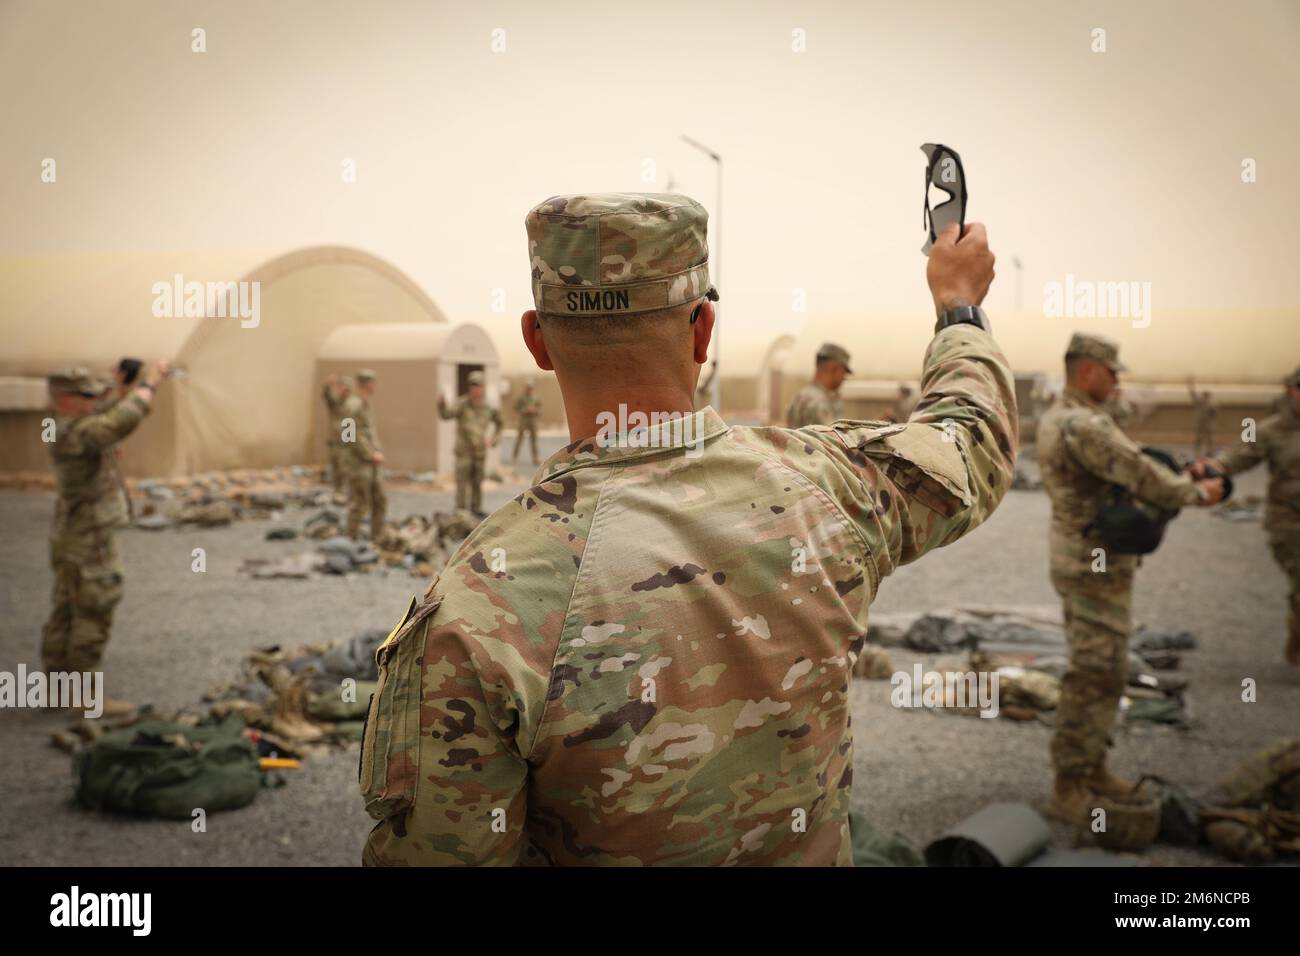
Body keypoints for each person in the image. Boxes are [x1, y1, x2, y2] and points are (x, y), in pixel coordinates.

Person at [359, 192, 1016, 866]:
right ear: (702, 331)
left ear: (538, 342)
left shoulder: (476, 606)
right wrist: (957, 304)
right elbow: (969, 443)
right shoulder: (830, 488)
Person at [1036, 333, 1225, 824]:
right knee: (1093, 673)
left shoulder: (1084, 419)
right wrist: (1197, 493)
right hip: (1090, 567)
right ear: (1088, 371)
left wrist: (1181, 472)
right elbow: (1138, 472)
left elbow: (1133, 460)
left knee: (1110, 669)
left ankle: (1093, 767)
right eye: (1112, 371)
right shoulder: (1082, 425)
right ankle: (1069, 785)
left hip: (1097, 564)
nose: (1118, 379)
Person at [42, 361, 171, 717]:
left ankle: (56, 689)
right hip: (89, 534)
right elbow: (119, 422)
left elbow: (107, 416)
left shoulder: (59, 425)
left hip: (74, 530)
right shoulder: (74, 431)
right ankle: (81, 696)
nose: (94, 401)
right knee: (94, 605)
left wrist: (118, 386)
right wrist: (150, 385)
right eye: (86, 396)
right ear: (65, 399)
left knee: (67, 608)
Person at [1197, 366, 1300, 664]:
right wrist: (1211, 470)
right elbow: (1237, 456)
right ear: (1292, 392)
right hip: (1289, 523)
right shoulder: (1269, 430)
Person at [437, 370, 503, 518]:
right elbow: (446, 415)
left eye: (478, 385)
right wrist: (441, 403)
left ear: (483, 387)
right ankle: (461, 510)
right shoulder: (462, 404)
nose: (476, 388)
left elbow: (500, 423)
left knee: (477, 482)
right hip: (464, 451)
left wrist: (493, 439)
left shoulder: (488, 407)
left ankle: (476, 508)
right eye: (473, 385)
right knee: (462, 482)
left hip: (479, 452)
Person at [341, 369, 386, 542]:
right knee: (360, 503)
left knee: (379, 500)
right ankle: (350, 539)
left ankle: (377, 537)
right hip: (359, 463)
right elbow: (348, 435)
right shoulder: (352, 405)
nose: (375, 386)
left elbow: (366, 433)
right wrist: (370, 454)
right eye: (373, 383)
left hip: (371, 462)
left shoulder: (365, 404)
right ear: (367, 384)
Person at [786, 342, 851, 427]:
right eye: (844, 372)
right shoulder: (818, 403)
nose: (844, 378)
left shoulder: (801, 396)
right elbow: (832, 438)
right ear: (834, 368)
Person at [322, 374, 353, 504]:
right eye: (341, 388)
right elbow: (327, 396)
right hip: (334, 442)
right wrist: (328, 386)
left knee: (344, 469)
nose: (343, 390)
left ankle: (344, 493)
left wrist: (349, 443)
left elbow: (350, 424)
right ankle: (337, 492)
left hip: (345, 443)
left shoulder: (352, 405)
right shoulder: (335, 403)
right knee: (335, 468)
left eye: (346, 388)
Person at [511, 380, 542, 467]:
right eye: (528, 388)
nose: (529, 390)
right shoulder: (521, 398)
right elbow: (516, 408)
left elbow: (540, 410)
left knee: (534, 440)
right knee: (519, 439)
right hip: (523, 421)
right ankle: (515, 457)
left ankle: (535, 458)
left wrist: (535, 410)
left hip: (533, 421)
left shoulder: (536, 398)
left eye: (531, 388)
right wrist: (525, 410)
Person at [1188, 379, 1217, 457]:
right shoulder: (1199, 402)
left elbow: (1214, 413)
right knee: (1198, 440)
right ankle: (1197, 453)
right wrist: (1191, 385)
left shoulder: (1212, 404)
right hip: (1200, 424)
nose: (1204, 396)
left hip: (1208, 424)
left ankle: (1210, 453)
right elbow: (1193, 395)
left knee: (1210, 440)